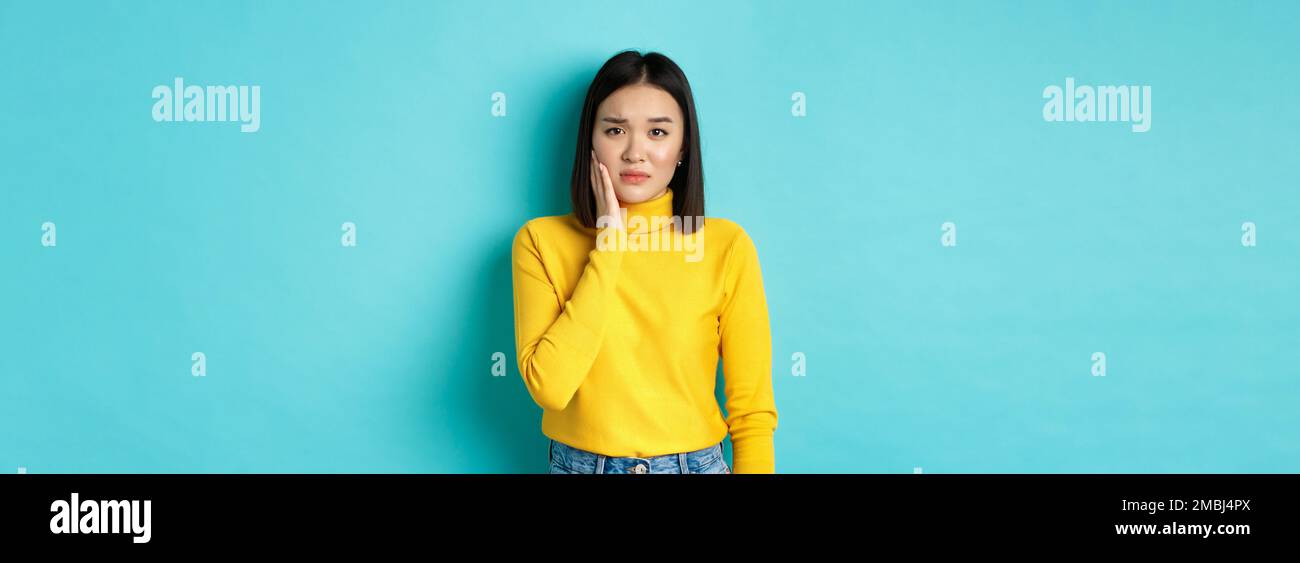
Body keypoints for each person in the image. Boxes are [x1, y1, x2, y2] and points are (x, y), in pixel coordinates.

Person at [511, 49, 777, 474]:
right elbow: (550, 388)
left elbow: (752, 411)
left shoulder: (726, 245)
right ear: (590, 140)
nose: (635, 152)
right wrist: (610, 244)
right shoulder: (540, 241)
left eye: (657, 132)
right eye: (615, 130)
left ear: (683, 145)